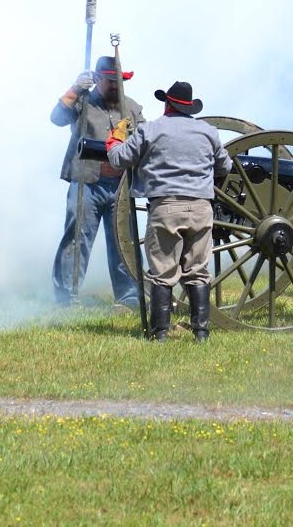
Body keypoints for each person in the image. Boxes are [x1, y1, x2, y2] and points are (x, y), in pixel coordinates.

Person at [106, 81, 231, 342]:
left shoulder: (150, 130)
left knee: (162, 271)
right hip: (201, 207)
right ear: (189, 108)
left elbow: (119, 159)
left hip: (166, 207)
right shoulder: (208, 132)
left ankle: (160, 333)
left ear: (167, 104)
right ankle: (201, 333)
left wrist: (116, 138)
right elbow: (225, 166)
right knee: (197, 269)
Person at [50, 56, 145, 309]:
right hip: (87, 182)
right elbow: (57, 118)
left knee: (124, 243)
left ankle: (129, 298)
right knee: (76, 239)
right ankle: (67, 300)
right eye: (110, 81)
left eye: (119, 81)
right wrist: (75, 89)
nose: (115, 86)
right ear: (98, 79)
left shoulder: (133, 108)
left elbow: (145, 141)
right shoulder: (82, 102)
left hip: (121, 185)